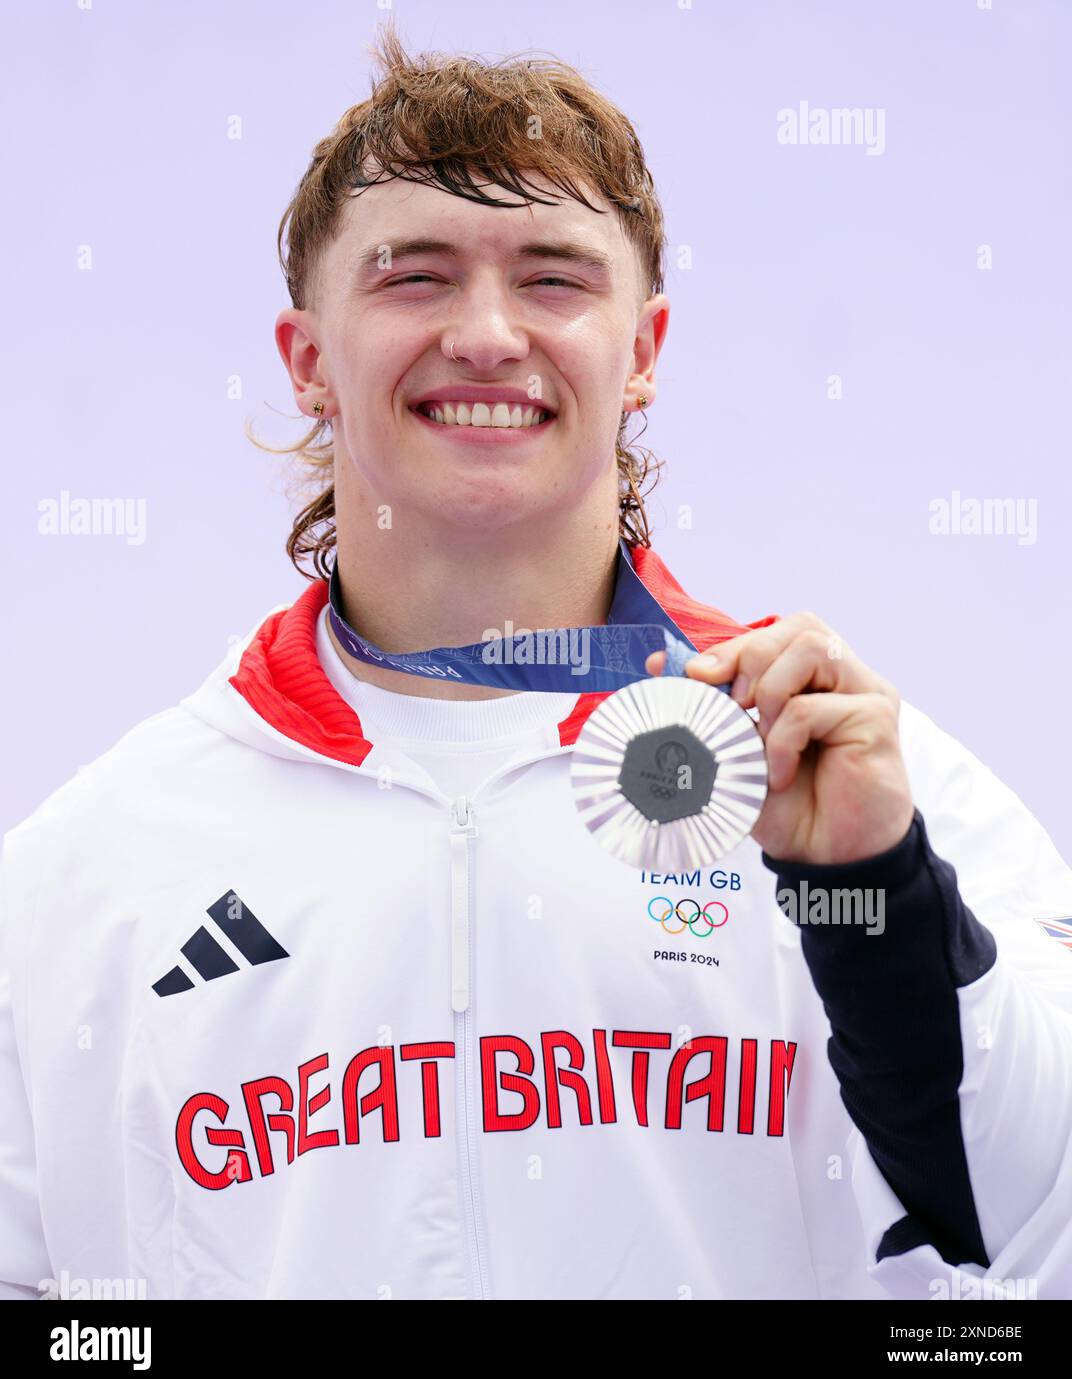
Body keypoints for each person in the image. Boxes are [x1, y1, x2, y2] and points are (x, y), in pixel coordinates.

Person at [2, 25, 1071, 1302]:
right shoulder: (90, 868)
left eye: (554, 278)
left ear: (645, 354)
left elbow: (1030, 1241)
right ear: (306, 364)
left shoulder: (860, 780)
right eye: (416, 278)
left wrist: (875, 896)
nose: (490, 334)